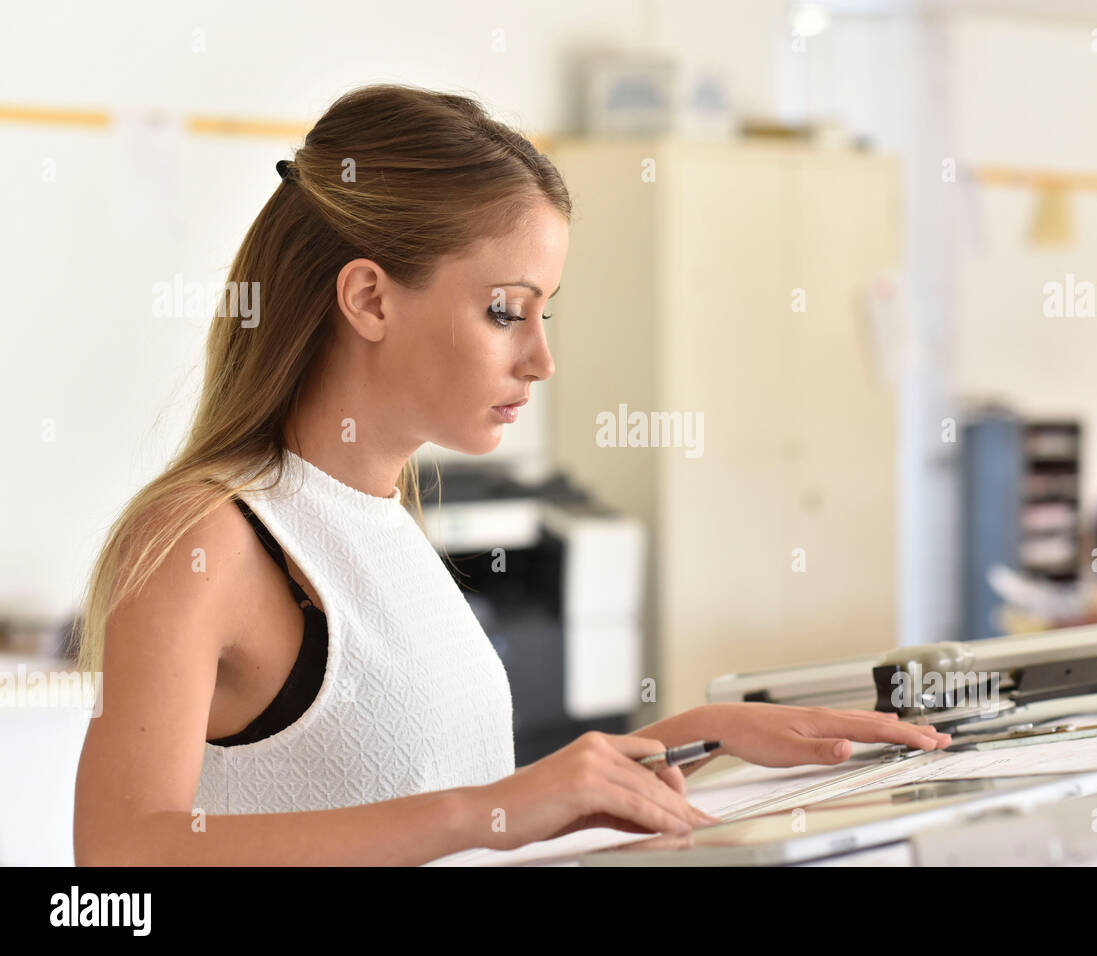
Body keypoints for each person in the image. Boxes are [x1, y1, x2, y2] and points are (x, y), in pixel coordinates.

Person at [72, 84, 949, 865]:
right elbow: (122, 851)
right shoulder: (207, 535)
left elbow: (438, 807)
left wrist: (698, 737)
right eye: (505, 311)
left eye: (544, 315)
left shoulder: (382, 516)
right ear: (371, 298)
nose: (540, 360)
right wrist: (494, 810)